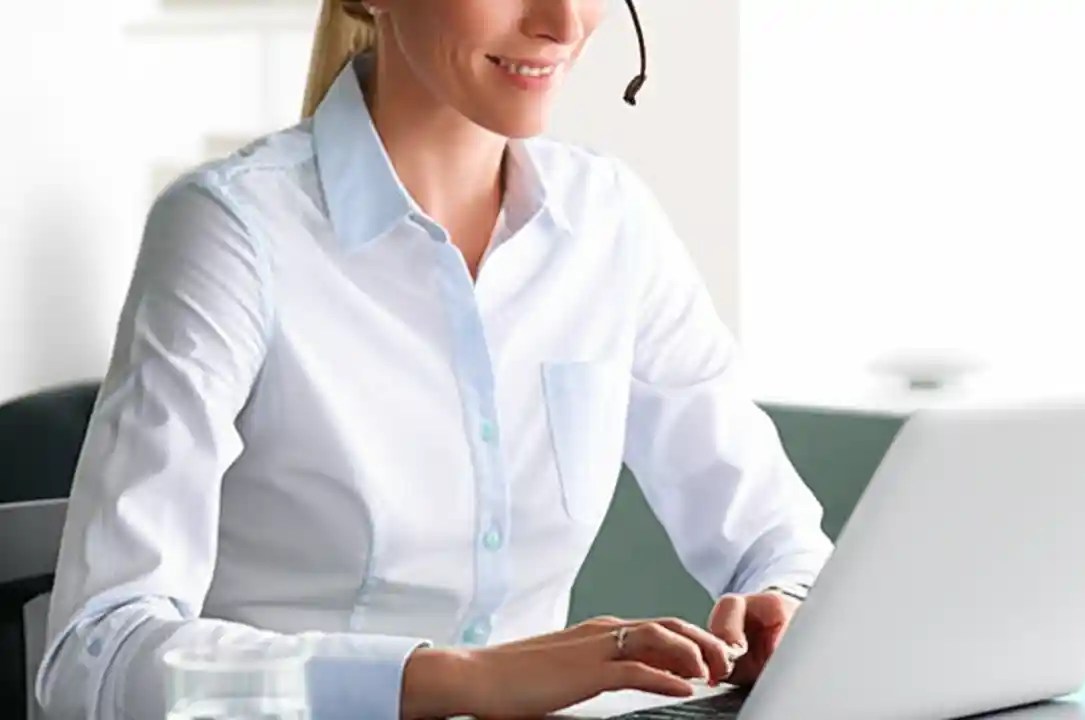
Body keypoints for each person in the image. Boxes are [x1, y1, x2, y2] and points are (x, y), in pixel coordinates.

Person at [37, 1, 832, 718]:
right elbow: (95, 656)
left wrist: (787, 607)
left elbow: (778, 540)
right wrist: (461, 680)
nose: (564, 22)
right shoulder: (234, 232)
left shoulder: (609, 221)